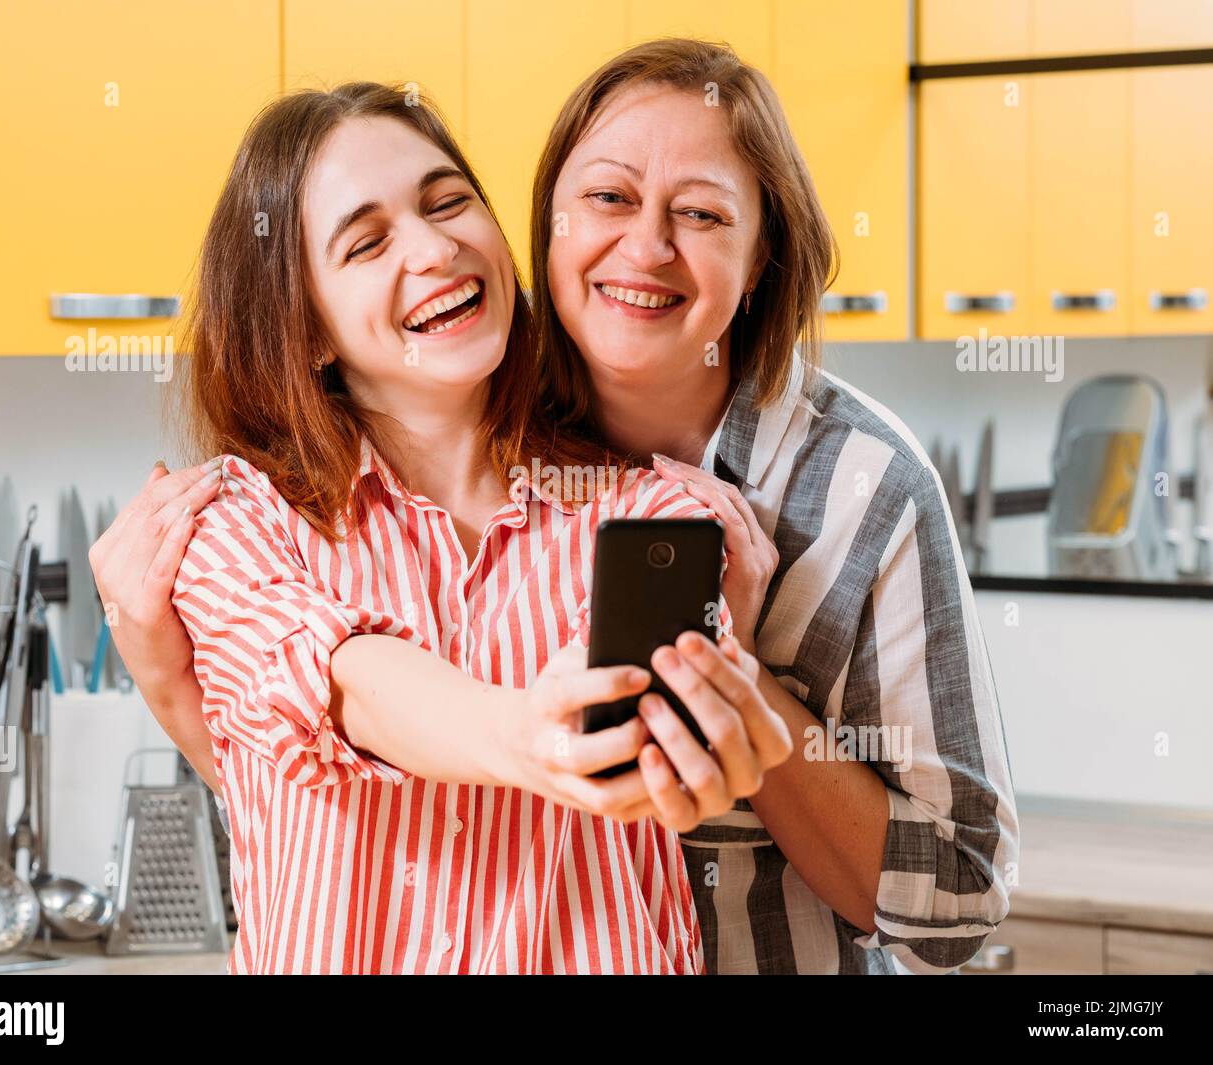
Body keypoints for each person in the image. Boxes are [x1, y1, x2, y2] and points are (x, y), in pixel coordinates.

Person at [94, 39, 1019, 976]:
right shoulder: (230, 525)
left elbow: (950, 893)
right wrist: (177, 680)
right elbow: (329, 699)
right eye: (366, 241)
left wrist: (715, 693)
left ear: (761, 250)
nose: (432, 246)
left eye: (447, 201)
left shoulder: (672, 513)